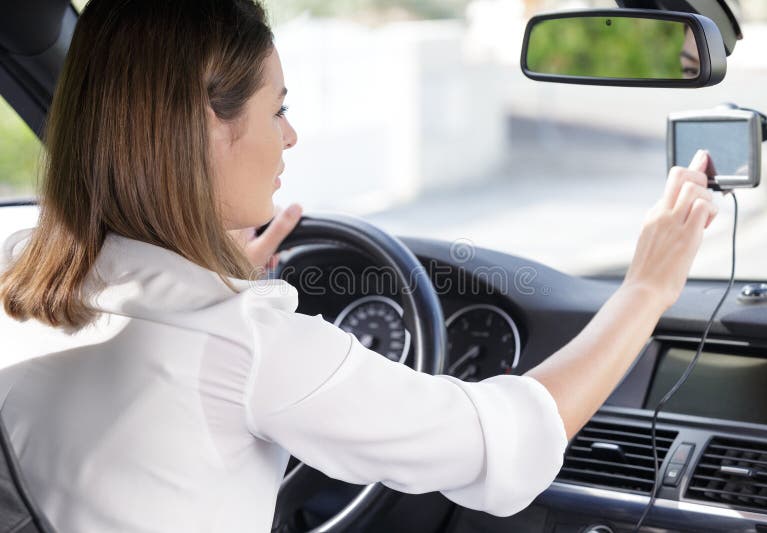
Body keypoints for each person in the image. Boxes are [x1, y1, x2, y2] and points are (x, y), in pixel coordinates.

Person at [0, 0, 718, 531]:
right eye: (277, 108)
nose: (292, 134)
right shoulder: (246, 341)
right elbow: (503, 440)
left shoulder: (17, 270)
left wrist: (214, 279)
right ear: (202, 127)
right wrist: (647, 287)